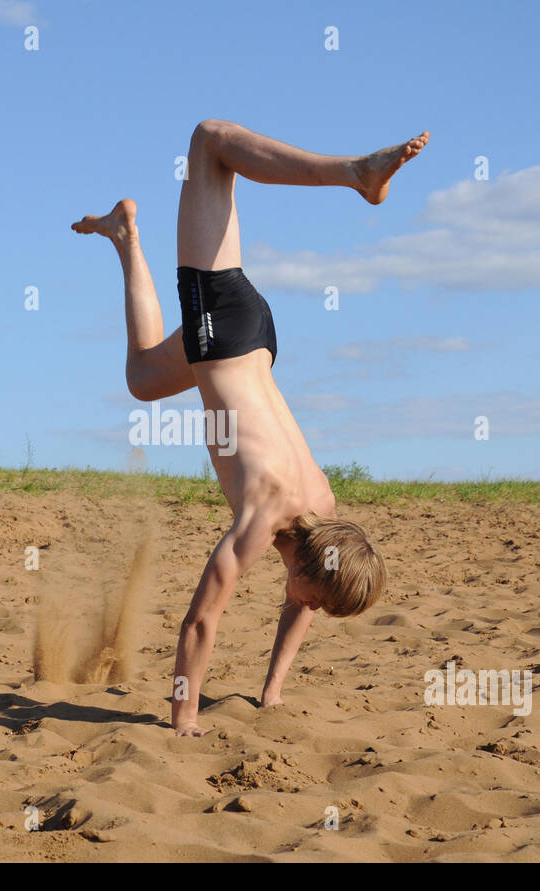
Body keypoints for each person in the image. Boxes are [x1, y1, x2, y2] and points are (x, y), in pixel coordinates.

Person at [72, 119, 430, 736]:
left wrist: (273, 693)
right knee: (209, 140)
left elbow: (303, 603)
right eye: (315, 597)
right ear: (309, 570)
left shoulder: (324, 510)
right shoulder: (262, 517)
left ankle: (126, 237)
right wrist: (184, 716)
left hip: (252, 341)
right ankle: (355, 173)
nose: (308, 607)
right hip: (225, 323)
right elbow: (200, 621)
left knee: (143, 378)